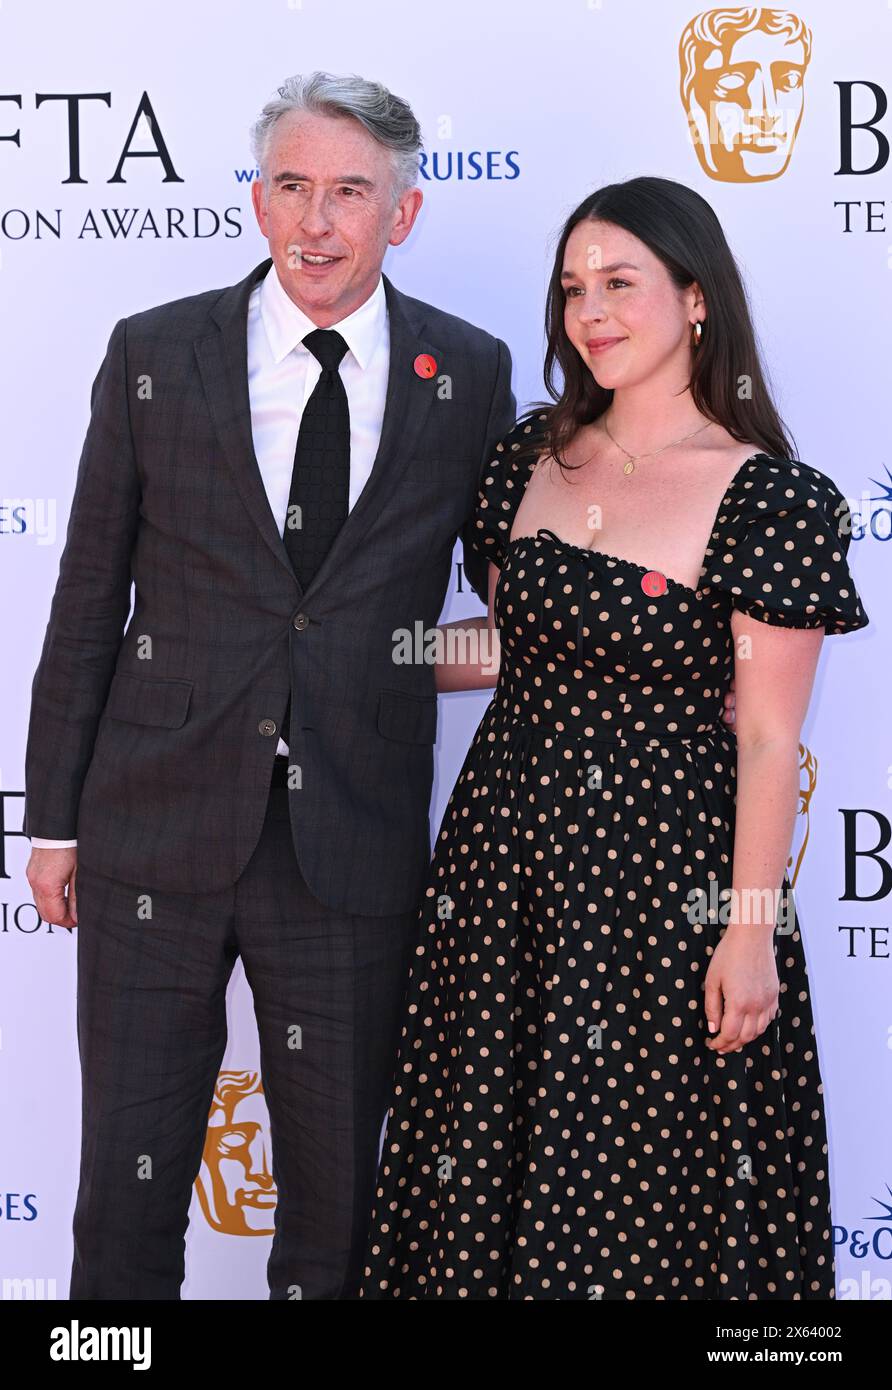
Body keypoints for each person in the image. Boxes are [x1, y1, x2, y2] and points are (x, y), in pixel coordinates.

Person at [22, 70, 516, 1300]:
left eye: (350, 191)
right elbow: (89, 596)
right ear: (256, 199)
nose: (316, 220)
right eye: (292, 185)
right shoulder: (156, 353)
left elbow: (513, 612)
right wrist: (54, 816)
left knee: (337, 1202)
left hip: (350, 849)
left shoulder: (468, 370)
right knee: (125, 1198)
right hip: (153, 831)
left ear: (401, 214)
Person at [361, 176, 869, 1300]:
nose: (588, 311)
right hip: (504, 877)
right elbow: (510, 646)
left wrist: (747, 932)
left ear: (696, 298)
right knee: (483, 1157)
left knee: (640, 1182)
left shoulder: (772, 499)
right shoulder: (526, 461)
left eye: (619, 283)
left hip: (661, 893)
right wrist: (347, 652)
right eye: (573, 288)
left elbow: (770, 737)